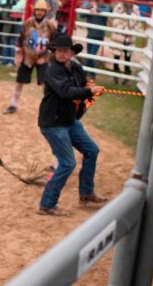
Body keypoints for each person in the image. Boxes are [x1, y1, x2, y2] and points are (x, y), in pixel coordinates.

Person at [37, 35, 107, 216]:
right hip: (53, 124)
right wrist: (88, 91)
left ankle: (86, 193)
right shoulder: (52, 70)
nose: (61, 54)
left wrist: (90, 92)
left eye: (65, 51)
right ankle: (47, 204)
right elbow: (66, 91)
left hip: (69, 121)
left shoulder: (76, 68)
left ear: (71, 52)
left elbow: (83, 86)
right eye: (58, 51)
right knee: (68, 163)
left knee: (92, 150)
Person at [4, 0, 57, 114]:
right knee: (19, 81)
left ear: (45, 12)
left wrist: (48, 57)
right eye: (37, 10)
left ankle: (47, 109)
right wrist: (18, 53)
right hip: (27, 56)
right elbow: (21, 38)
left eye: (42, 10)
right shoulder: (28, 23)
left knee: (45, 84)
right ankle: (14, 104)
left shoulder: (50, 26)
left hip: (43, 58)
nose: (39, 12)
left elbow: (54, 43)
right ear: (34, 10)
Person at [109, 0, 143, 84]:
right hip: (119, 35)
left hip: (130, 36)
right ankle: (116, 77)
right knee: (116, 56)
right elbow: (113, 20)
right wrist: (122, 25)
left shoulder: (136, 9)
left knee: (128, 57)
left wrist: (133, 30)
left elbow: (138, 23)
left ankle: (126, 77)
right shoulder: (119, 7)